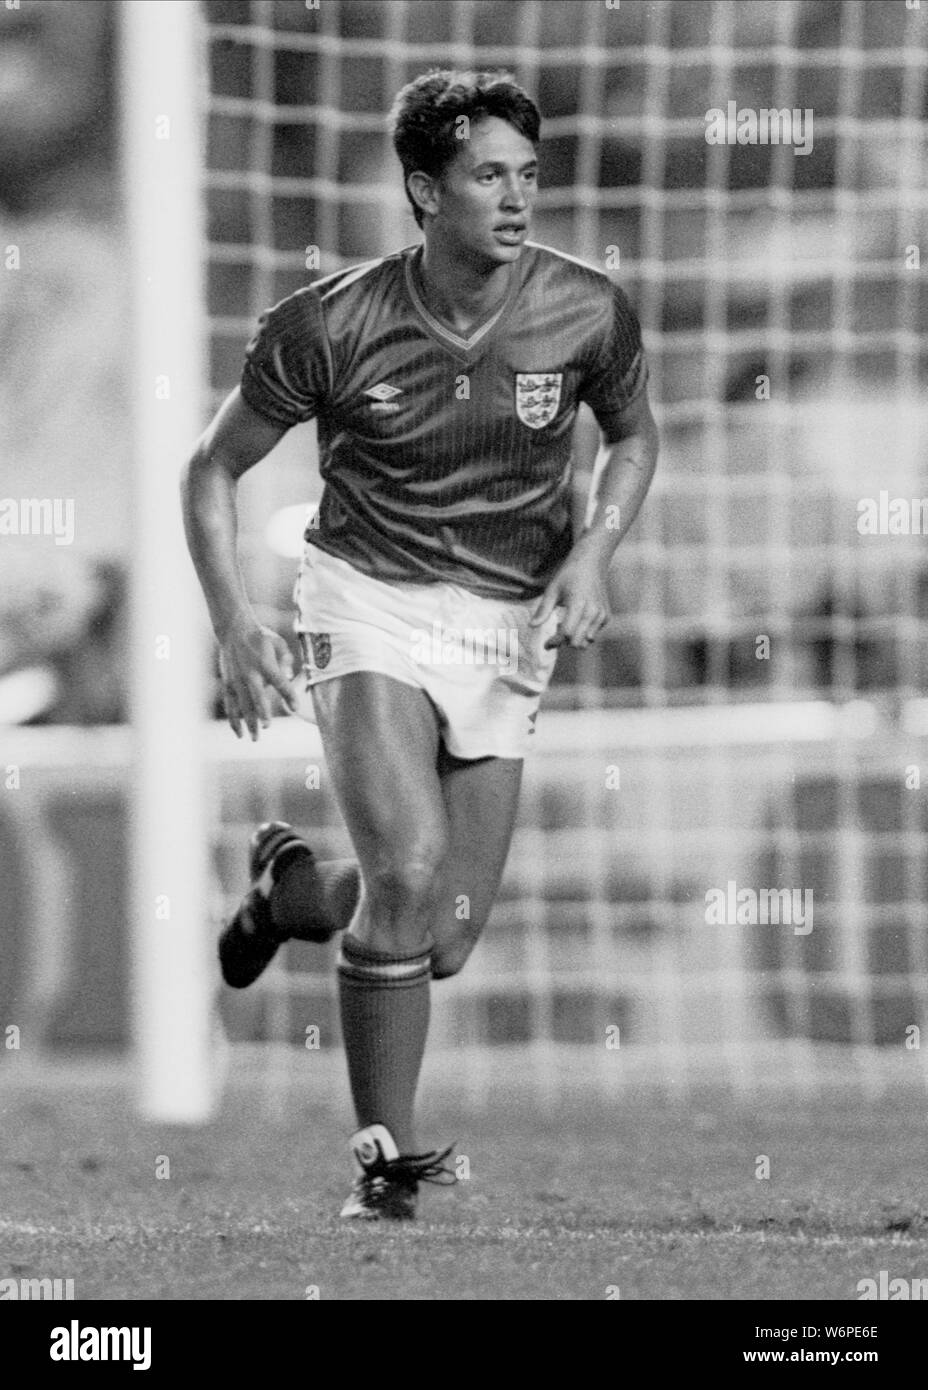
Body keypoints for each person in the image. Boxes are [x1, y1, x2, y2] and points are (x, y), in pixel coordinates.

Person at [181, 69, 659, 1221]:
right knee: (403, 869)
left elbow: (634, 436)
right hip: (368, 600)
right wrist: (234, 618)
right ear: (424, 189)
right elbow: (212, 466)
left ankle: (295, 890)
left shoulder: (586, 309)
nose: (517, 197)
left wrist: (594, 552)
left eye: (528, 174)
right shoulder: (328, 324)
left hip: (507, 625)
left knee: (438, 935)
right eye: (488, 174)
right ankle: (383, 1167)